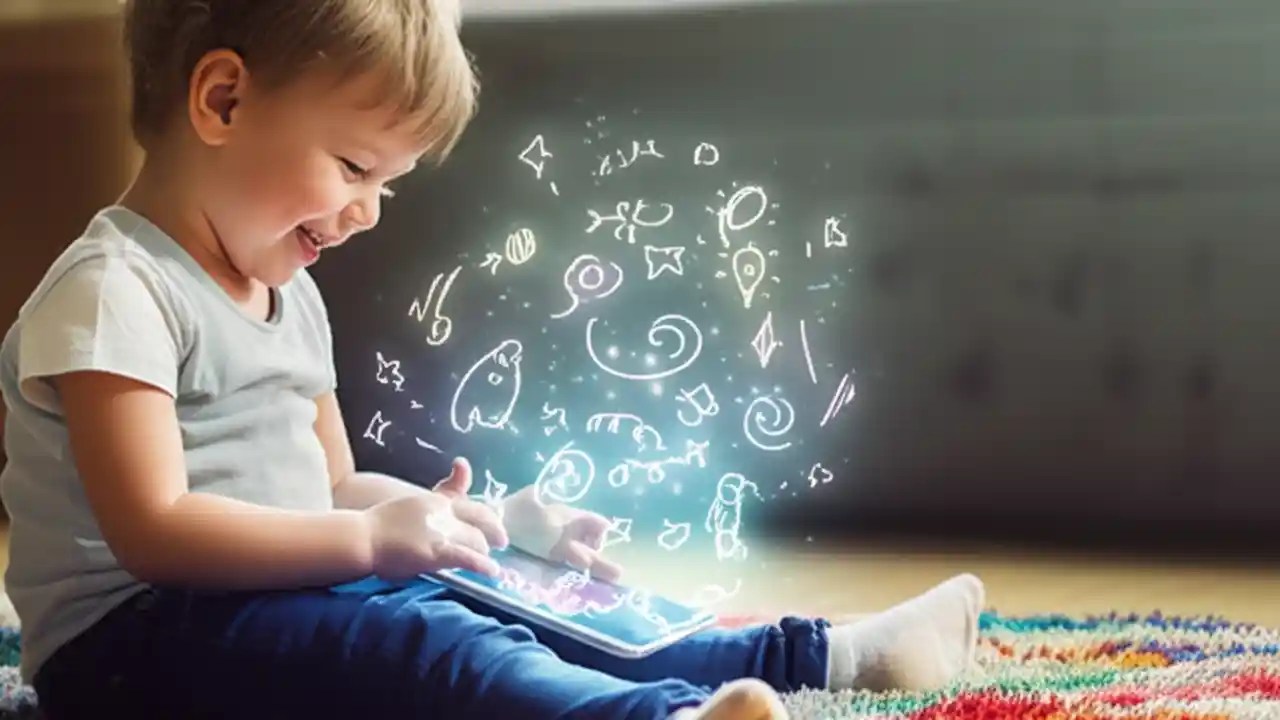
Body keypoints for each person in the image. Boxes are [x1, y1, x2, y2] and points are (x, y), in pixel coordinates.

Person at [0, 1, 985, 718]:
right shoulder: (113, 292)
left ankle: (824, 659)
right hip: (131, 651)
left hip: (271, 599)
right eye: (352, 167)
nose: (365, 210)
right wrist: (373, 547)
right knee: (430, 639)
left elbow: (334, 486)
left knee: (493, 588)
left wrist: (479, 525)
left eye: (387, 181)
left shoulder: (286, 294)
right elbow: (156, 533)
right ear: (220, 99)